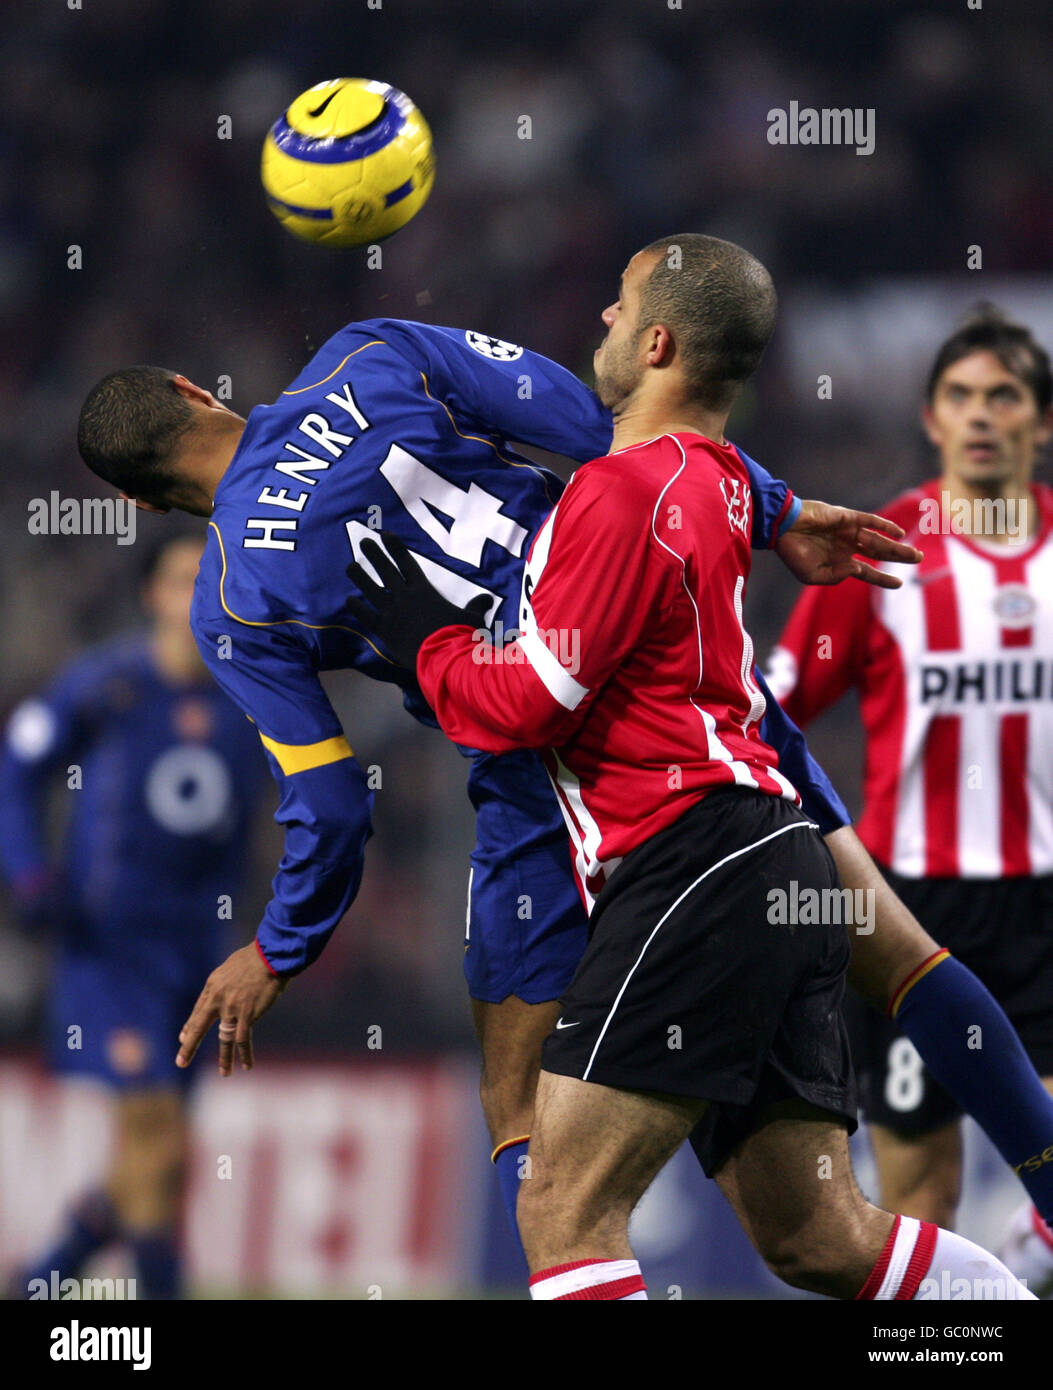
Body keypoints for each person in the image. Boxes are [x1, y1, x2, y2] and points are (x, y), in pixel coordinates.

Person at [75, 304, 1053, 1282]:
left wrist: (278, 947)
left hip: (533, 750)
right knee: (897, 966)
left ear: (147, 505)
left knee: (528, 1129)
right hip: (677, 664)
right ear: (197, 393)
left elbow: (331, 806)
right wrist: (774, 507)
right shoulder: (368, 353)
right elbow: (603, 431)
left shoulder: (236, 600)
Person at [347, 235, 1035, 1300]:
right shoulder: (712, 476)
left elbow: (534, 701)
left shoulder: (622, 491)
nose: (603, 326)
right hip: (775, 857)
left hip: (693, 861)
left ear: (659, 339)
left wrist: (425, 643)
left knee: (563, 1208)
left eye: (619, 310)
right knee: (819, 1235)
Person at [767, 304, 1053, 1294]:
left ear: (1041, 422)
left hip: (1046, 903)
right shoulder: (880, 550)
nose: (981, 416)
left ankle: (1030, 1254)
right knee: (916, 1191)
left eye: (1004, 395)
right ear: (931, 417)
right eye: (960, 396)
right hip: (914, 915)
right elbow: (778, 701)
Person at [0, 535, 267, 1299]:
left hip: (198, 957)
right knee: (154, 1133)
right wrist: (29, 874)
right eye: (184, 577)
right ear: (150, 594)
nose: (199, 591)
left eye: (210, 576)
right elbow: (18, 770)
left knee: (163, 1158)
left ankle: (42, 1284)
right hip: (109, 947)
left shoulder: (251, 694)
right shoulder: (105, 685)